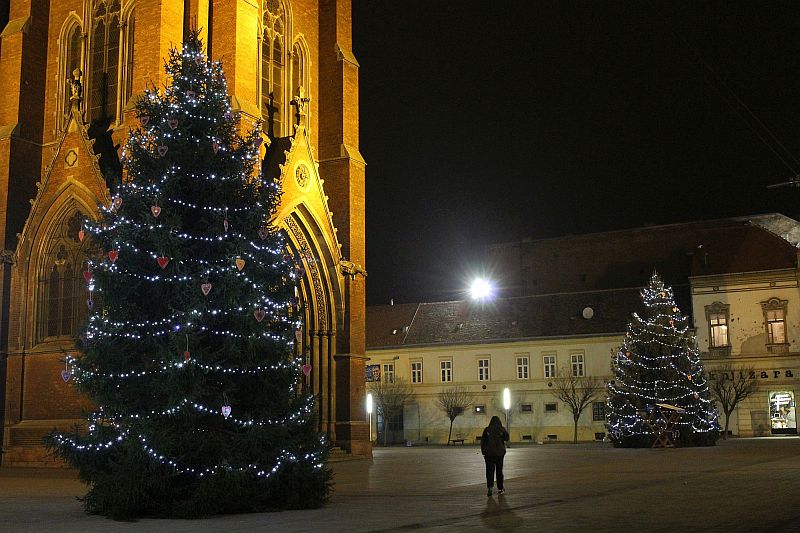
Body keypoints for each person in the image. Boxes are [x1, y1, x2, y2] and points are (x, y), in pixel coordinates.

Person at [481, 415, 509, 496]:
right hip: (499, 454)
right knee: (499, 471)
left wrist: (484, 451)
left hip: (489, 454)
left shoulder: (487, 430)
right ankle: (500, 488)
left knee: (489, 471)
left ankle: (490, 487)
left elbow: (483, 441)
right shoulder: (501, 429)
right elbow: (507, 438)